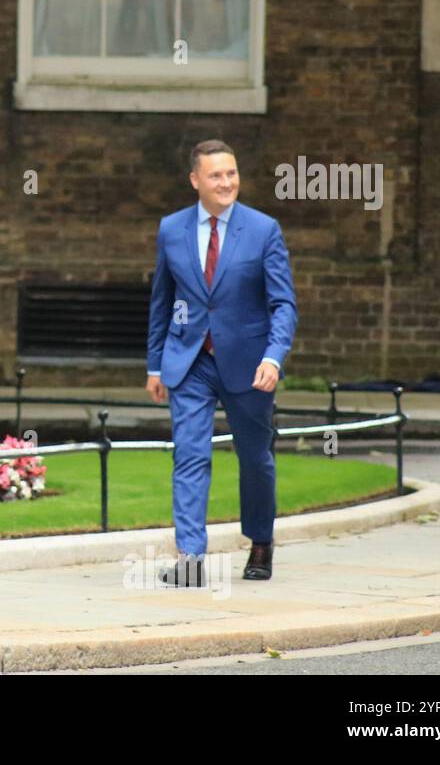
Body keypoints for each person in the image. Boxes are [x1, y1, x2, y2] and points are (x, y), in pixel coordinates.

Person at [145, 140, 298, 586]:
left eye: (231, 173)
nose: (226, 182)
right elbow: (162, 301)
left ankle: (261, 542)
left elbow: (284, 303)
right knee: (190, 456)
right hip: (189, 360)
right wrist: (156, 365)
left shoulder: (263, 229)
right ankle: (191, 558)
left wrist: (274, 356)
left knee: (255, 458)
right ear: (195, 180)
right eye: (216, 175)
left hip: (250, 364)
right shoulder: (171, 229)